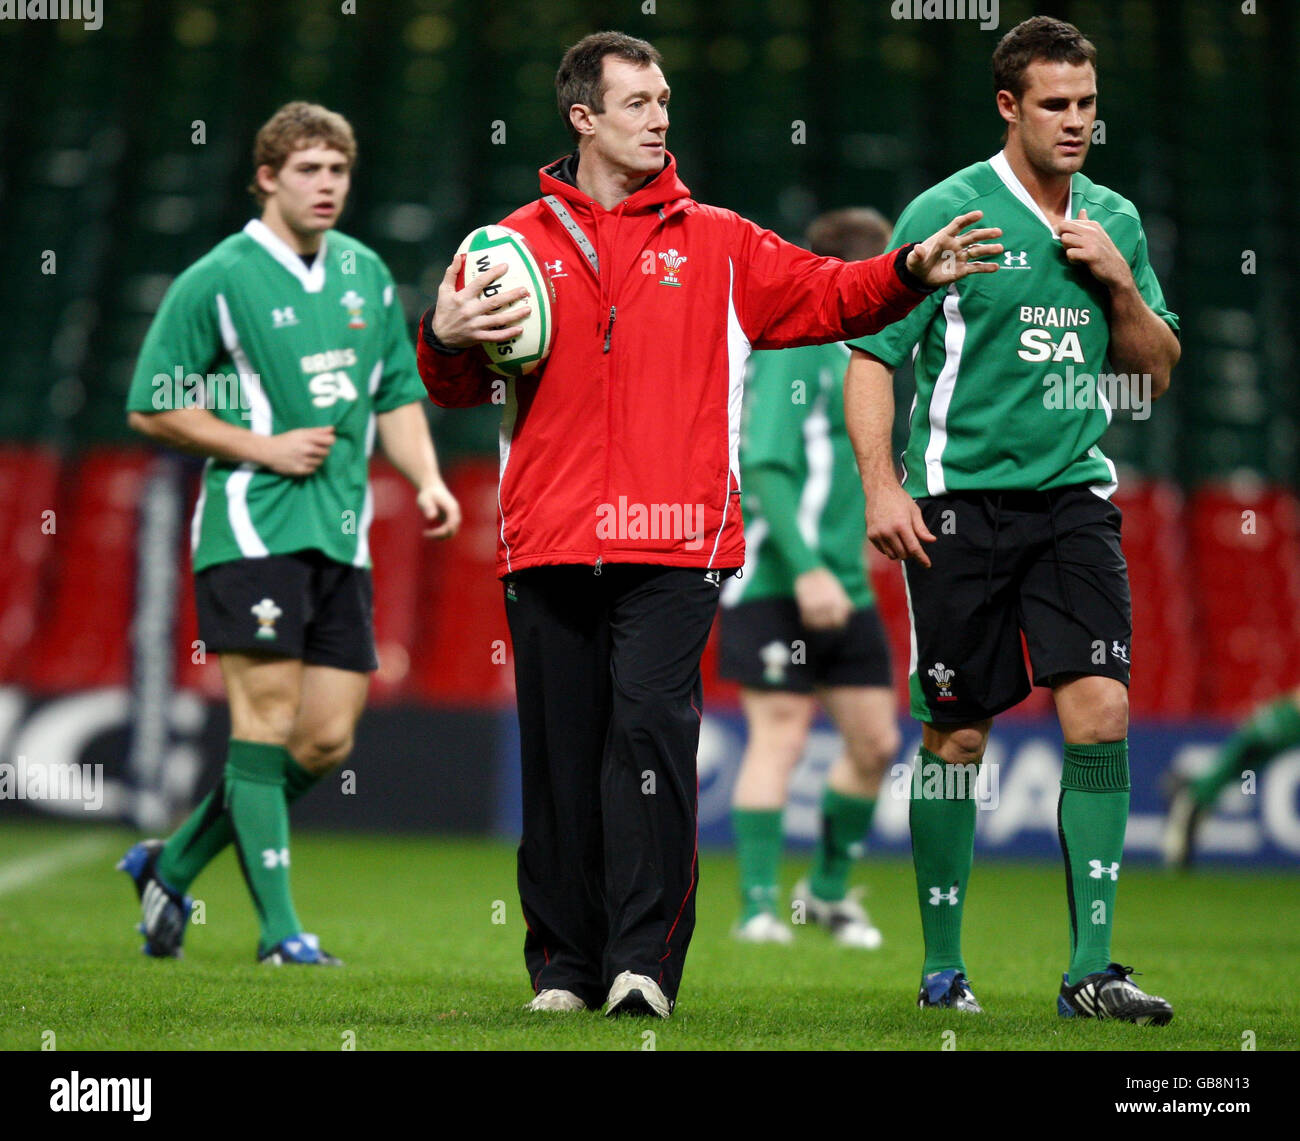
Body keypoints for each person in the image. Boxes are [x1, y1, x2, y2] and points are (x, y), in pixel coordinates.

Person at [418, 31, 1000, 1017]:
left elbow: (828, 292)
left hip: (675, 543)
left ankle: (642, 964)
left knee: (647, 742)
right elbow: (457, 384)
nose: (659, 116)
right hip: (550, 539)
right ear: (583, 118)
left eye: (664, 99)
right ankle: (563, 967)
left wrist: (908, 267)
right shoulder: (505, 245)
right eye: (638, 101)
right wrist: (441, 335)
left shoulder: (718, 239)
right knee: (561, 762)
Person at [845, 16, 1181, 1022]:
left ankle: (1092, 968)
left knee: (1103, 710)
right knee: (956, 739)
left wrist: (1116, 284)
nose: (1075, 122)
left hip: (1074, 499)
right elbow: (870, 358)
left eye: (1086, 104)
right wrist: (881, 482)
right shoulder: (948, 212)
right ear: (1008, 106)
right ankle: (943, 965)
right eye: (1054, 105)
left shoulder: (1112, 221)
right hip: (957, 507)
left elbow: (1153, 372)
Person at [119, 102, 461, 965]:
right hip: (250, 527)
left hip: (340, 538)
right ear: (267, 177)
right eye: (309, 170)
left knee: (325, 737)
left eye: (338, 171)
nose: (327, 186)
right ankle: (281, 934)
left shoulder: (365, 272)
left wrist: (425, 478)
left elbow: (396, 395)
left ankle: (171, 862)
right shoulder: (219, 276)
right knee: (265, 721)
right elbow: (151, 401)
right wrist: (259, 445)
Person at [719, 208, 899, 950]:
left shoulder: (868, 354)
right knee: (780, 734)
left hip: (843, 585)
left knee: (876, 743)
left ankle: (824, 894)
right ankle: (759, 907)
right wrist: (809, 569)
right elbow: (762, 462)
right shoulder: (802, 340)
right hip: (775, 580)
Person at [1163, 685, 1300, 867]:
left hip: (1285, 716)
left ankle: (1194, 793)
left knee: (1240, 762)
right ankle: (1195, 794)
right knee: (1238, 761)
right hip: (1287, 718)